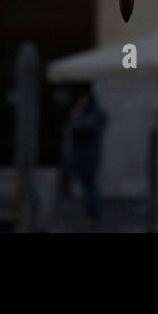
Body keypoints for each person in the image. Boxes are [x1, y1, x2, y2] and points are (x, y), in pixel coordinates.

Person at [64, 88, 107, 227]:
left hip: (87, 157)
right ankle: (90, 216)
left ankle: (92, 216)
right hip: (85, 156)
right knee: (88, 187)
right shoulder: (92, 114)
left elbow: (79, 127)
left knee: (89, 188)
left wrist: (75, 116)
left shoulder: (92, 115)